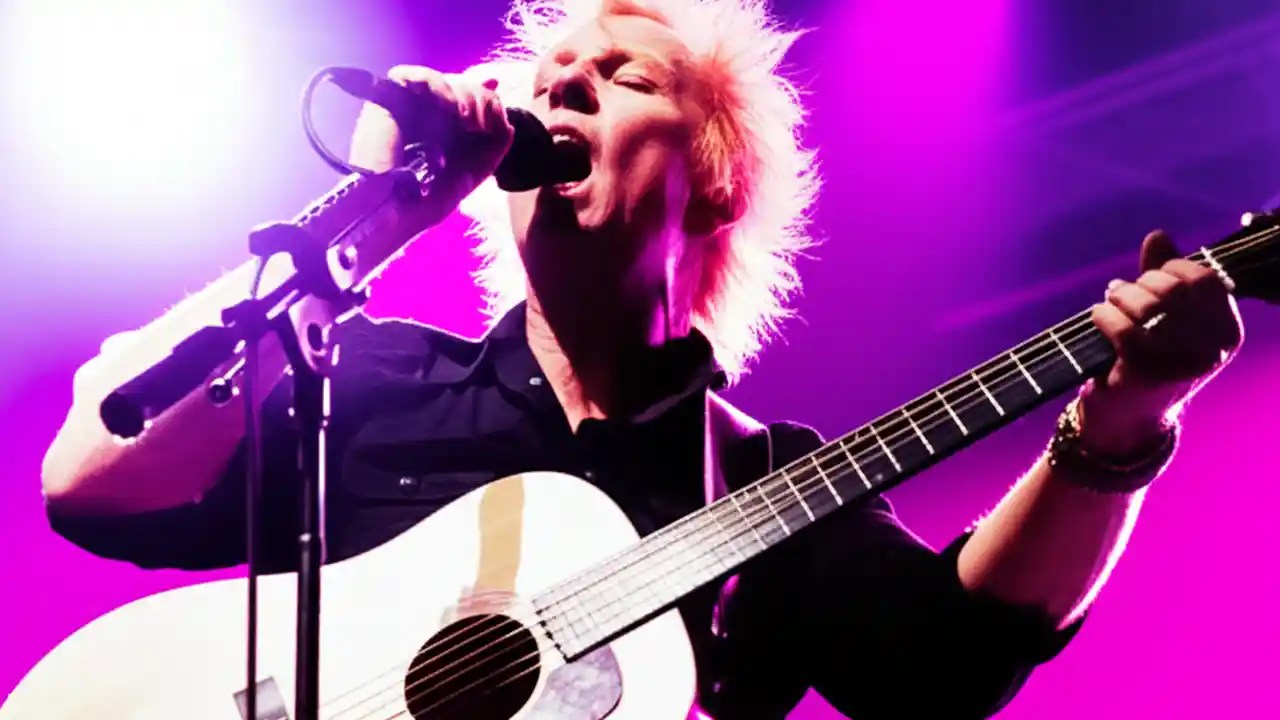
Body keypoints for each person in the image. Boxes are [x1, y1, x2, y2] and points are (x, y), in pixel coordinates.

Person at [39, 0, 1243, 718]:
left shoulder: (767, 482)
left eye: (622, 78)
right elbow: (95, 473)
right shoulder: (369, 377)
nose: (563, 81)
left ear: (711, 183)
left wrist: (1124, 422)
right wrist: (380, 211)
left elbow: (946, 664)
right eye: (548, 78)